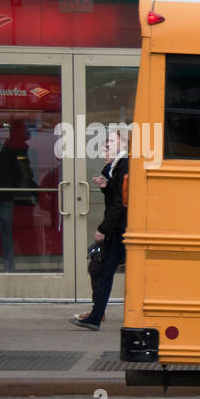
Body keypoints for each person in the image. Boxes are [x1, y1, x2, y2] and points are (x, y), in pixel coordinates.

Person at [70, 129, 128, 331]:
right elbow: (117, 196)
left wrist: (103, 228)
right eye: (106, 141)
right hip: (117, 228)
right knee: (99, 268)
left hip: (119, 229)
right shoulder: (114, 167)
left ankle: (96, 316)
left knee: (102, 270)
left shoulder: (124, 166)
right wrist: (106, 185)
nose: (106, 145)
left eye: (111, 141)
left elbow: (121, 204)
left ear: (123, 145)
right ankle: (97, 313)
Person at [0, 119, 35, 272]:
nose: (28, 132)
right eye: (26, 129)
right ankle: (9, 268)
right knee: (6, 235)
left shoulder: (7, 147)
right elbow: (23, 174)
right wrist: (33, 187)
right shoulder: (19, 148)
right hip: (6, 197)